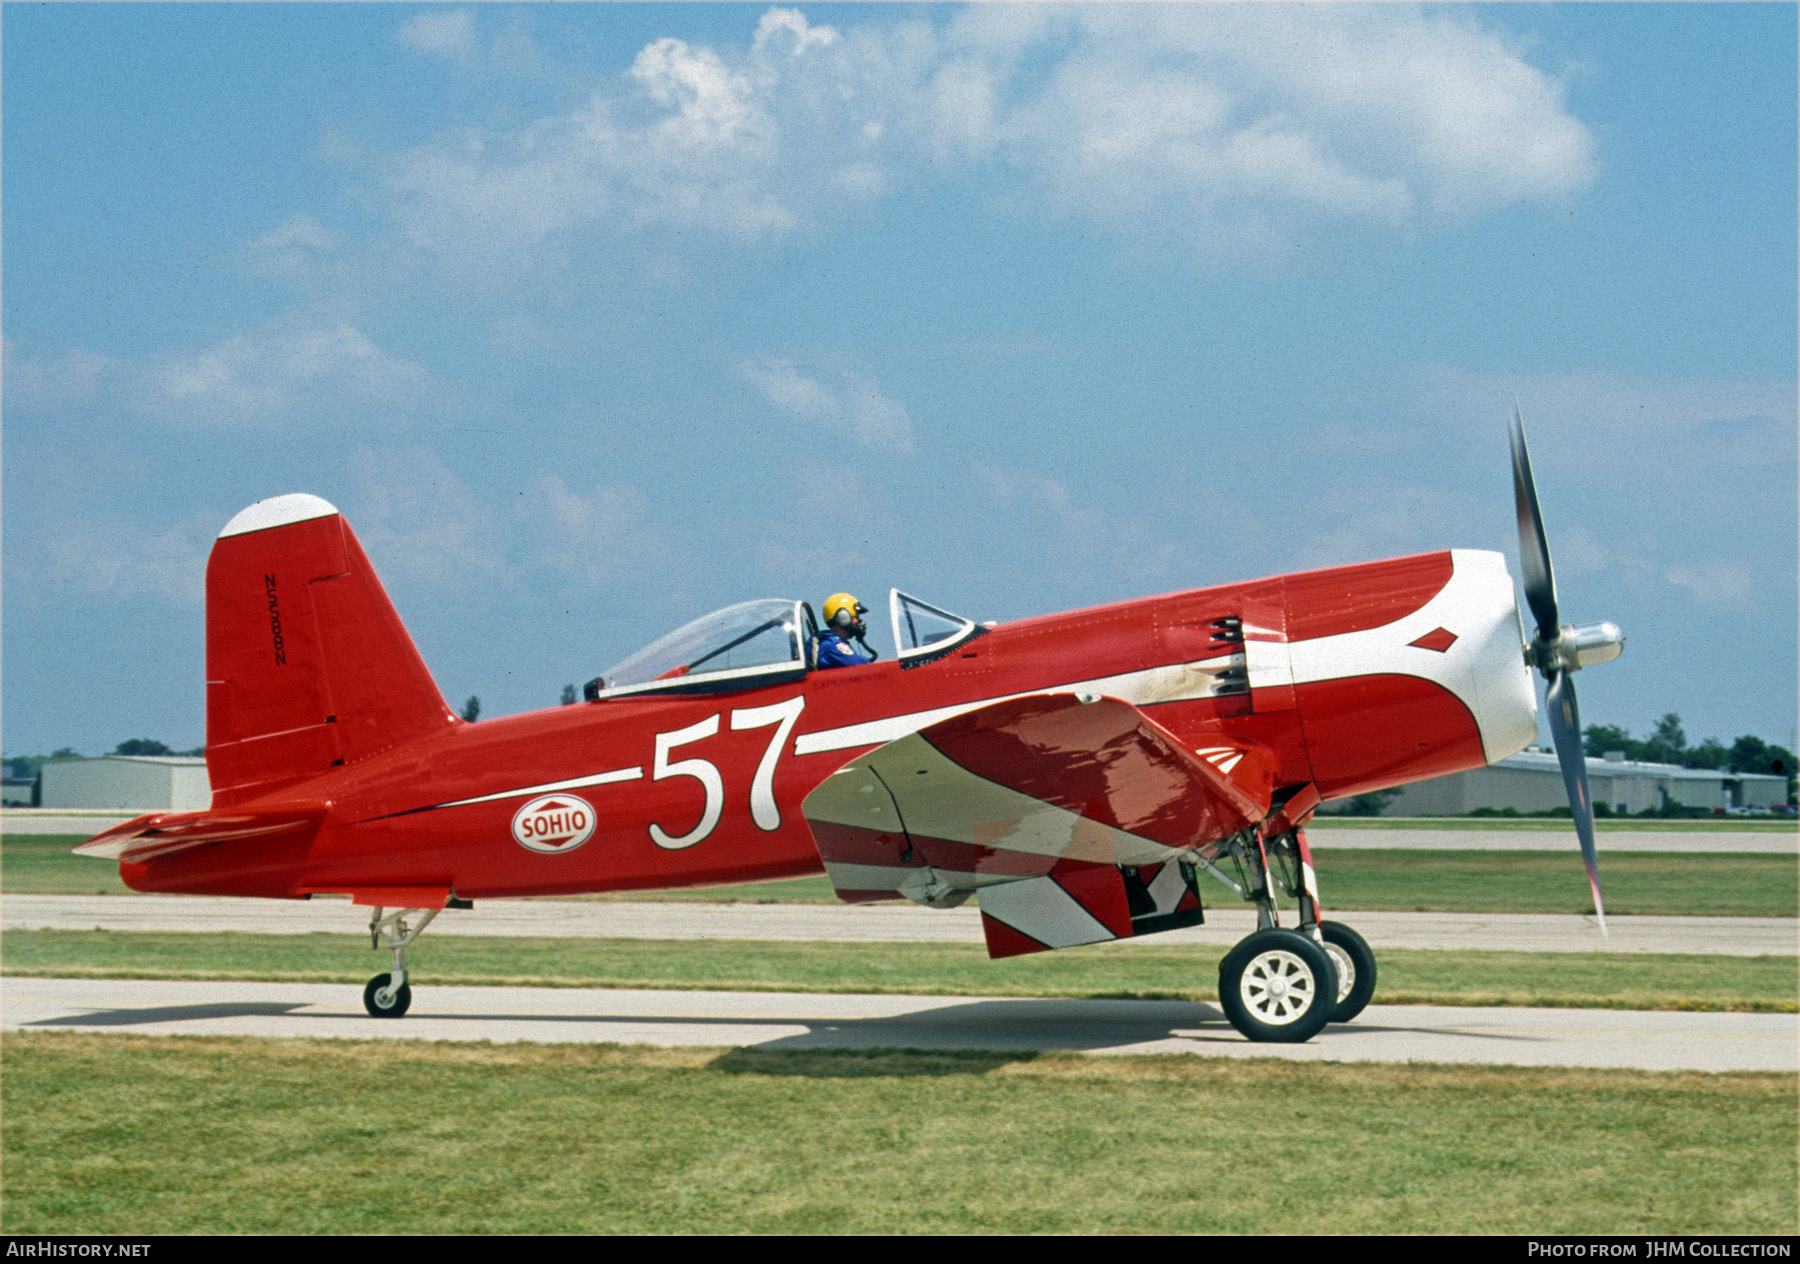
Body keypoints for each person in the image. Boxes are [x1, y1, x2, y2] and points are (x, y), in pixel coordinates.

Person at [816, 592, 878, 668]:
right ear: (843, 617)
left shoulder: (833, 643)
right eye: (856, 616)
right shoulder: (831, 645)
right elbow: (858, 664)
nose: (858, 621)